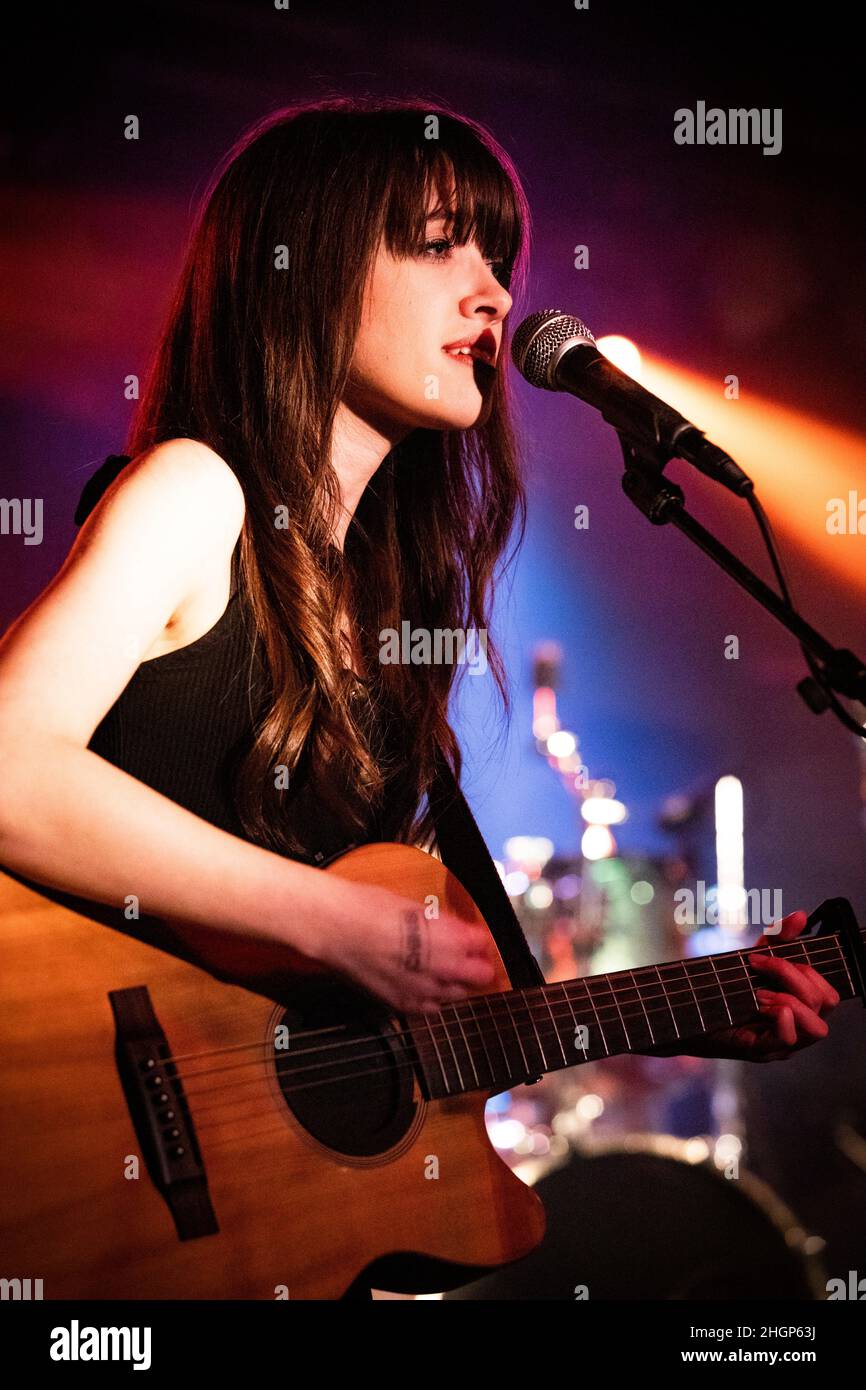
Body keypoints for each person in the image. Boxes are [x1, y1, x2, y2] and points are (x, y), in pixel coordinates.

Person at [0, 97, 840, 1299]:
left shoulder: (386, 610)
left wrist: (665, 1009)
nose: (493, 291)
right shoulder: (195, 493)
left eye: (495, 256)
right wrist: (332, 920)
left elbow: (365, 1045)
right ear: (307, 265)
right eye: (439, 243)